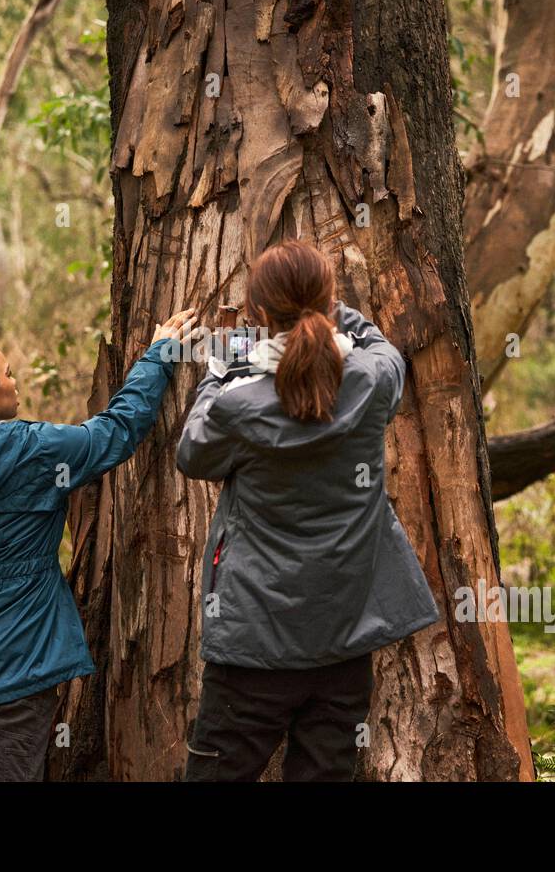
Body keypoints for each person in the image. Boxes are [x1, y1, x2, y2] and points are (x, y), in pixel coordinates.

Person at [0, 308, 196, 781]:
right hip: (16, 670)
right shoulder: (36, 450)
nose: (14, 379)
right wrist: (160, 355)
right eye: (7, 372)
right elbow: (116, 431)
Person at [177, 239, 442, 782]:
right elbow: (382, 346)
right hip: (344, 642)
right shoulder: (370, 382)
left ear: (258, 315)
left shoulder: (236, 406)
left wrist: (220, 370)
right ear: (328, 302)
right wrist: (328, 308)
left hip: (253, 643)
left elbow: (191, 453)